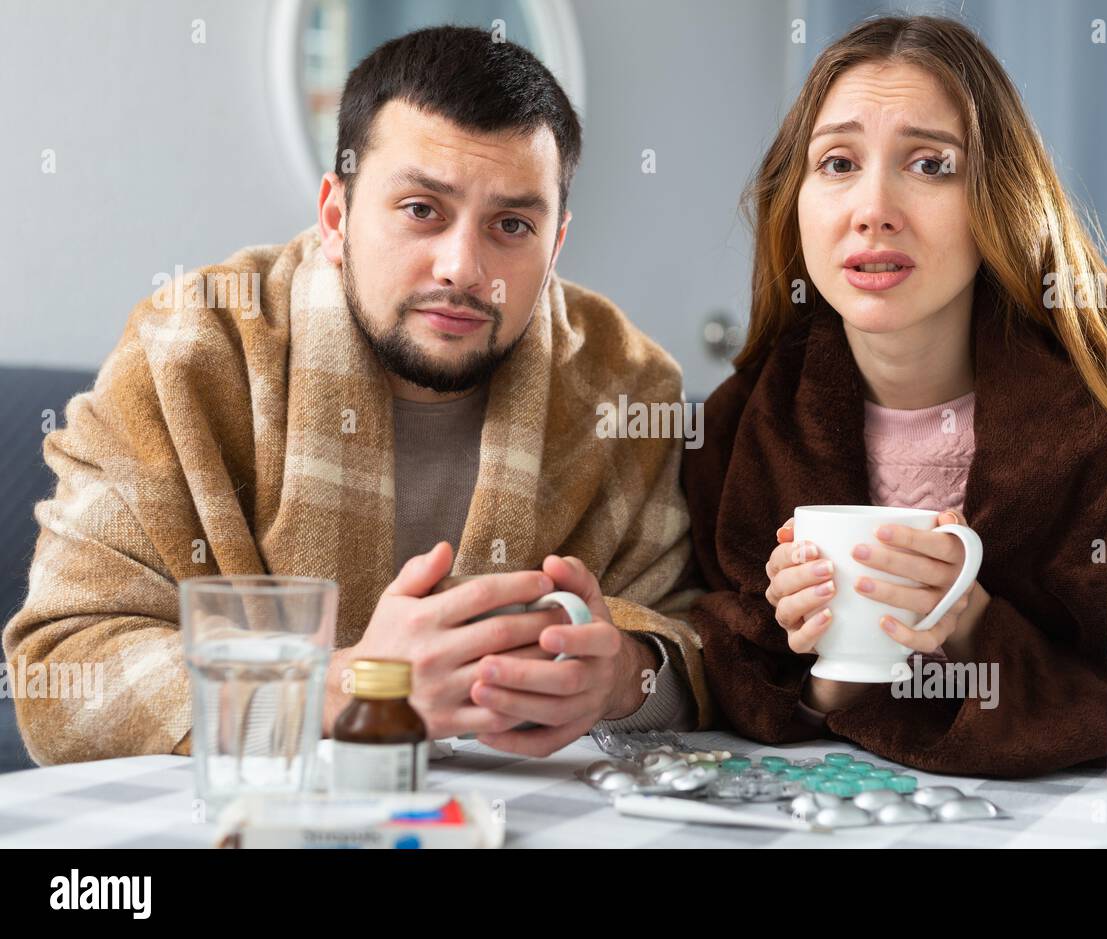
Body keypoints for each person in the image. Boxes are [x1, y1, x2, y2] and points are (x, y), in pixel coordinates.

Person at [3, 26, 708, 765]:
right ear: (336, 218)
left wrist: (627, 676)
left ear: (555, 245)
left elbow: (693, 641)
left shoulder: (628, 388)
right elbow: (60, 670)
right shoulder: (184, 352)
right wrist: (345, 689)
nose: (462, 268)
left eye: (511, 225)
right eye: (421, 210)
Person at [682, 14, 1107, 777]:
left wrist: (969, 626)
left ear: (999, 199)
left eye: (931, 165)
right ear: (793, 200)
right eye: (837, 162)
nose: (873, 207)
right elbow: (732, 677)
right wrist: (831, 663)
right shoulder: (739, 429)